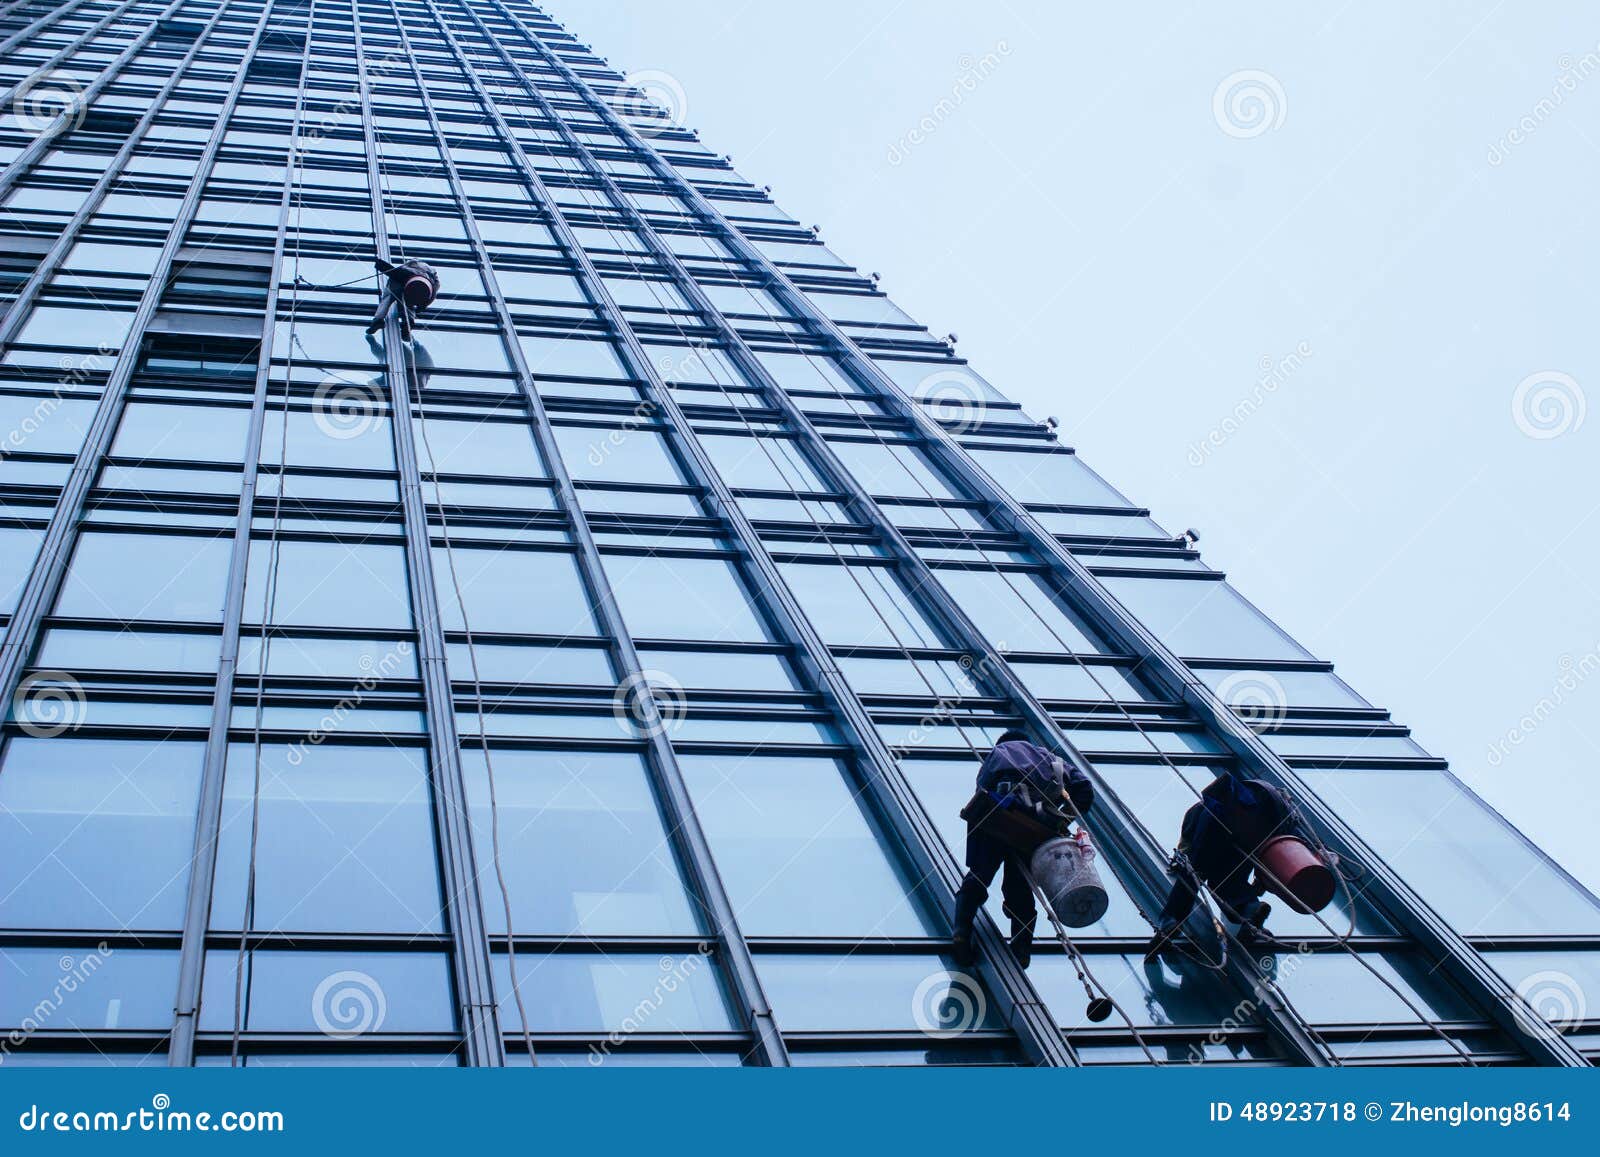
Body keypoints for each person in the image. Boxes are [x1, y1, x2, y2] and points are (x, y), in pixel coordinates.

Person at [952, 730, 1095, 969]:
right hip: (1035, 829)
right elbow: (1084, 788)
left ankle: (961, 931)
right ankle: (1021, 949)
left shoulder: (999, 752)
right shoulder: (1051, 759)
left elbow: (983, 787)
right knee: (1019, 886)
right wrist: (1059, 821)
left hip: (999, 818)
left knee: (979, 875)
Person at [1145, 773, 1306, 960]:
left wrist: (1181, 870)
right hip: (1247, 840)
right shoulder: (1259, 808)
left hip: (1216, 832)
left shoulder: (1196, 814)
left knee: (1194, 875)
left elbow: (1188, 857)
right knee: (1229, 881)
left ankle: (1170, 922)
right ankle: (1250, 911)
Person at [364, 256, 440, 340]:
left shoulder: (412, 262)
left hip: (401, 278)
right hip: (417, 283)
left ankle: (378, 319)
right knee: (409, 303)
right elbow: (434, 289)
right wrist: (423, 305)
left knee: (388, 298)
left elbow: (398, 272)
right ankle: (407, 325)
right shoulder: (431, 270)